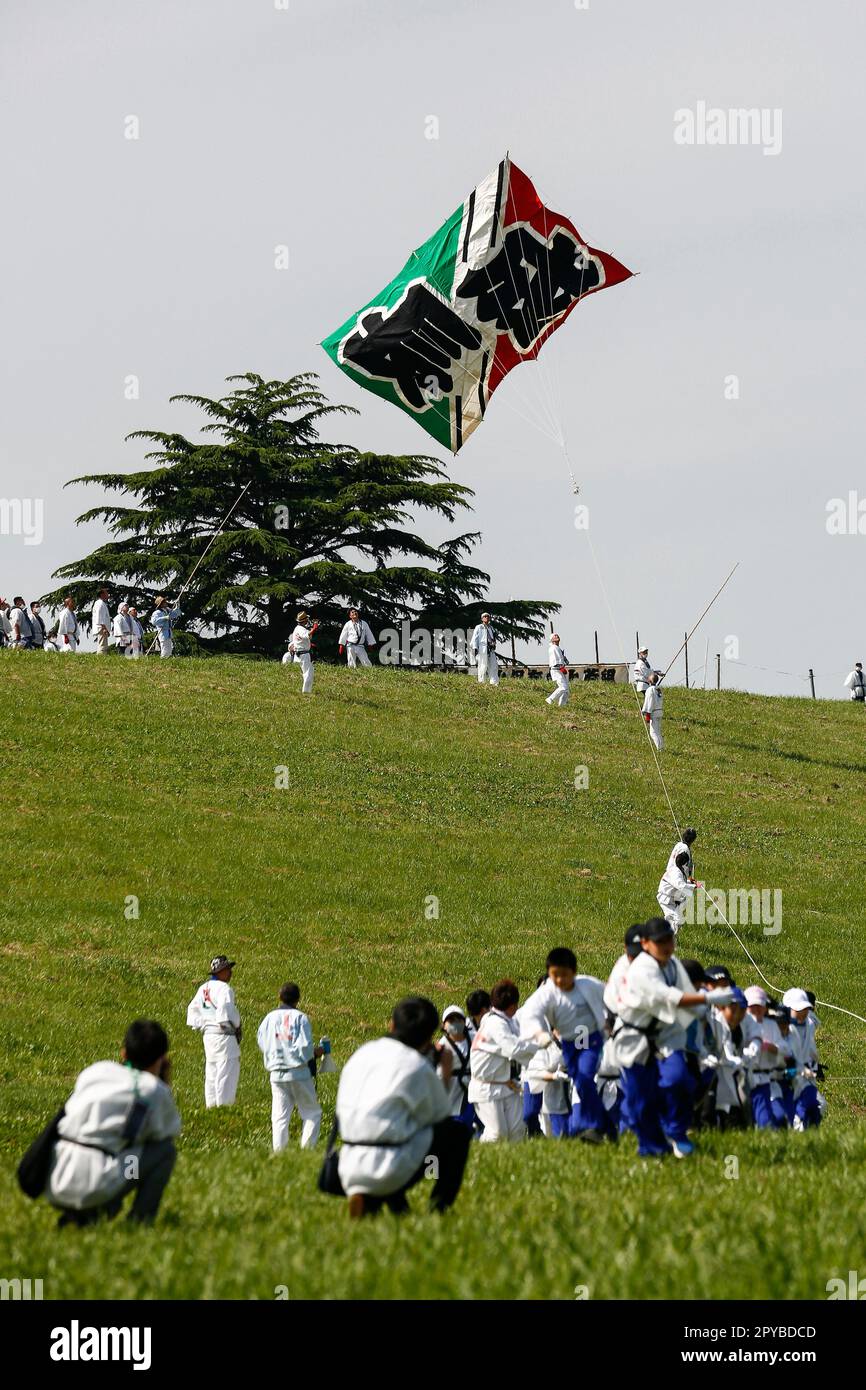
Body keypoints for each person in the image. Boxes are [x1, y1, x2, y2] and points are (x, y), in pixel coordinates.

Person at [318, 996, 472, 1218]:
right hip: (390, 1165)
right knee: (456, 1134)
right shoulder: (416, 1066)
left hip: (347, 1164)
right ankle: (438, 1210)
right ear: (430, 1037)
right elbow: (441, 1116)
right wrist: (445, 1073)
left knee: (394, 1135)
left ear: (391, 1024)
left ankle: (380, 1205)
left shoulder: (361, 1054)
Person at [610, 918, 734, 1157]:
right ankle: (652, 1149)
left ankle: (677, 1132)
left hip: (667, 1033)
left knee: (679, 1079)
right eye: (660, 941)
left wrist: (706, 1015)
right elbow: (670, 997)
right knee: (639, 1102)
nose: (667, 945)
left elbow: (687, 997)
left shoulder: (673, 964)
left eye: (670, 939)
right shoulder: (641, 970)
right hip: (634, 1037)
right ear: (646, 944)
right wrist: (708, 999)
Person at [46, 1020, 180, 1227]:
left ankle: (92, 1213)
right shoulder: (152, 1089)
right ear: (161, 1059)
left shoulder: (96, 1071)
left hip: (55, 1178)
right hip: (97, 1183)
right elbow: (166, 1133)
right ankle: (138, 1220)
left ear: (123, 1053)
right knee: (163, 1151)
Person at [518, 948, 611, 1143]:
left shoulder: (587, 985)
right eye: (554, 975)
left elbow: (611, 996)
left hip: (589, 1040)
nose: (559, 980)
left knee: (585, 1078)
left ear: (574, 972)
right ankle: (606, 1127)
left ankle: (592, 1125)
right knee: (581, 1081)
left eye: (564, 975)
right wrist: (539, 1033)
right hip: (569, 1044)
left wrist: (610, 1021)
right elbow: (528, 1013)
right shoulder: (547, 993)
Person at [468, 980, 548, 1142]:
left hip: (506, 1084)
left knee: (518, 1131)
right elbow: (514, 1049)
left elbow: (520, 1039)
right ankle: (476, 1155)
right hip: (486, 1087)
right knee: (497, 1133)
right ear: (512, 1006)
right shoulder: (495, 1023)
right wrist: (538, 1044)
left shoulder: (505, 1020)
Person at [256, 982, 323, 1151]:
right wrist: (316, 1052)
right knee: (311, 1112)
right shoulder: (300, 1018)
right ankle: (307, 1150)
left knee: (279, 1116)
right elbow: (305, 1047)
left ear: (279, 997)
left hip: (276, 1072)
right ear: (298, 999)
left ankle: (279, 1152)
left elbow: (261, 1040)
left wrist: (274, 1053)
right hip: (298, 1071)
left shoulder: (269, 1018)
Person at [186, 955, 241, 1107]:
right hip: (224, 1034)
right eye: (228, 969)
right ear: (221, 971)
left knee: (212, 1073)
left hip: (208, 1035)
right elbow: (226, 1010)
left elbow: (192, 1010)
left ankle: (211, 1107)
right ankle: (224, 1109)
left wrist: (202, 1023)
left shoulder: (203, 988)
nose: (230, 972)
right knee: (226, 1074)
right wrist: (235, 1025)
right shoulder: (225, 989)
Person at [742, 986, 788, 1129]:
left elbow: (785, 1049)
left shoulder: (771, 1025)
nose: (756, 1011)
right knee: (753, 1118)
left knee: (773, 1117)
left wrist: (772, 1048)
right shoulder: (742, 1025)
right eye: (752, 1007)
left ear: (765, 1008)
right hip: (745, 1078)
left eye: (759, 1007)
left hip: (765, 1079)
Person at [782, 987, 823, 1129]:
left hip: (804, 1076)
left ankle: (808, 1136)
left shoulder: (808, 1025)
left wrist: (814, 1066)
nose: (803, 1013)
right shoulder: (783, 1029)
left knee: (815, 1107)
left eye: (805, 1009)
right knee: (790, 1112)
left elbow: (810, 1051)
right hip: (786, 1078)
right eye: (798, 1010)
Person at [437, 1005, 474, 1127]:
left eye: (459, 1020)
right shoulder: (442, 1046)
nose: (456, 1023)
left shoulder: (474, 1038)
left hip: (473, 1086)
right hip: (452, 1089)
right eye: (451, 1021)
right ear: (444, 1025)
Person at [656, 851, 695, 935]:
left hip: (670, 899)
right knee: (677, 920)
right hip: (665, 899)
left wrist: (690, 882)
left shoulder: (677, 870)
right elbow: (680, 885)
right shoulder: (676, 872)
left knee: (676, 920)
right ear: (684, 864)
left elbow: (679, 882)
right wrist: (694, 886)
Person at [284, 610, 318, 693]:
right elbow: (307, 635)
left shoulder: (298, 628)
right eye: (307, 619)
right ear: (304, 620)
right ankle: (306, 692)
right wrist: (314, 627)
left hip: (300, 653)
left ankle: (305, 691)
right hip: (304, 654)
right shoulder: (301, 629)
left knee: (308, 671)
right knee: (309, 673)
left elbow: (302, 640)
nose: (307, 621)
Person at [470, 613, 499, 686]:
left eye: (488, 616)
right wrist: (475, 648)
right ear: (482, 618)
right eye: (484, 616)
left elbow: (493, 637)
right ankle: (481, 682)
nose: (486, 617)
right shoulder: (479, 627)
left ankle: (494, 682)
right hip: (482, 648)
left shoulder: (491, 628)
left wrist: (494, 643)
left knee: (494, 665)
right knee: (482, 665)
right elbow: (474, 638)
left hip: (491, 649)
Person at [546, 633, 570, 707]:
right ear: (551, 640)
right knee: (563, 687)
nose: (557, 636)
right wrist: (561, 667)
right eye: (554, 636)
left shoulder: (557, 648)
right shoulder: (553, 648)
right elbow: (555, 660)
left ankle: (562, 705)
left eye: (557, 635)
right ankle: (550, 699)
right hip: (556, 669)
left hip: (559, 669)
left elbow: (561, 658)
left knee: (566, 690)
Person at [642, 672, 664, 749]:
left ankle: (659, 748)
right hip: (659, 711)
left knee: (653, 732)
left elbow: (649, 701)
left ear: (650, 681)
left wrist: (647, 713)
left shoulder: (650, 690)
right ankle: (661, 746)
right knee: (658, 731)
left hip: (653, 712)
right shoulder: (658, 689)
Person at [91, 587, 111, 654]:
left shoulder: (101, 603)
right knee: (102, 646)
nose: (108, 594)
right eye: (106, 593)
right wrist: (104, 628)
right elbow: (100, 617)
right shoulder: (100, 603)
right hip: (102, 628)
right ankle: (100, 658)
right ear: (102, 594)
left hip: (102, 627)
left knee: (103, 645)